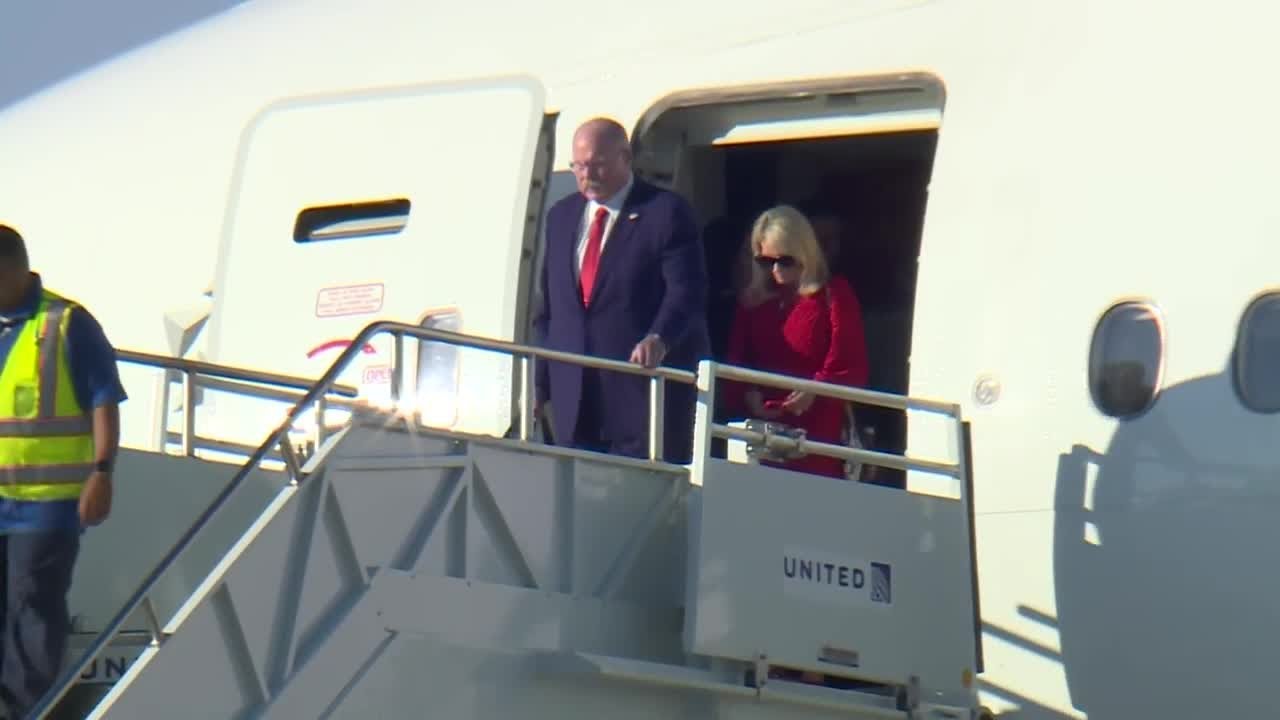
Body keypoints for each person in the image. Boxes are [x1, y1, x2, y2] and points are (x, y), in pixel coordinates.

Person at [0, 225, 125, 717]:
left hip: (47, 503)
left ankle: (28, 710)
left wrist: (102, 471)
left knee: (32, 602)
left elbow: (104, 399)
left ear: (12, 269)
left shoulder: (66, 323)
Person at [533, 118, 710, 463]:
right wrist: (540, 385)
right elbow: (549, 311)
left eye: (597, 164)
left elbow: (686, 291)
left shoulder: (665, 213)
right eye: (578, 166)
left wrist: (659, 338)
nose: (587, 174)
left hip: (636, 400)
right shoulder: (561, 217)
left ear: (625, 158)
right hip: (573, 402)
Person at [721, 205, 869, 479]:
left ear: (804, 254)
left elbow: (850, 364)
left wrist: (814, 390)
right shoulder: (752, 304)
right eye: (766, 261)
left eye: (785, 261)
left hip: (817, 434)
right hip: (763, 433)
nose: (776, 270)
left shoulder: (833, 295)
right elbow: (736, 366)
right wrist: (748, 394)